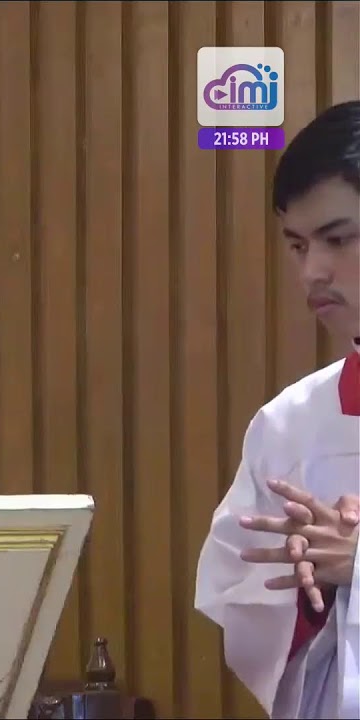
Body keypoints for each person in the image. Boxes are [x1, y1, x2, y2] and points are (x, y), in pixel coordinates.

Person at [195, 99, 360, 719]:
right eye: (297, 245)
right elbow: (232, 595)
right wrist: (303, 593)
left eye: (338, 239)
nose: (312, 271)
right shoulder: (289, 423)